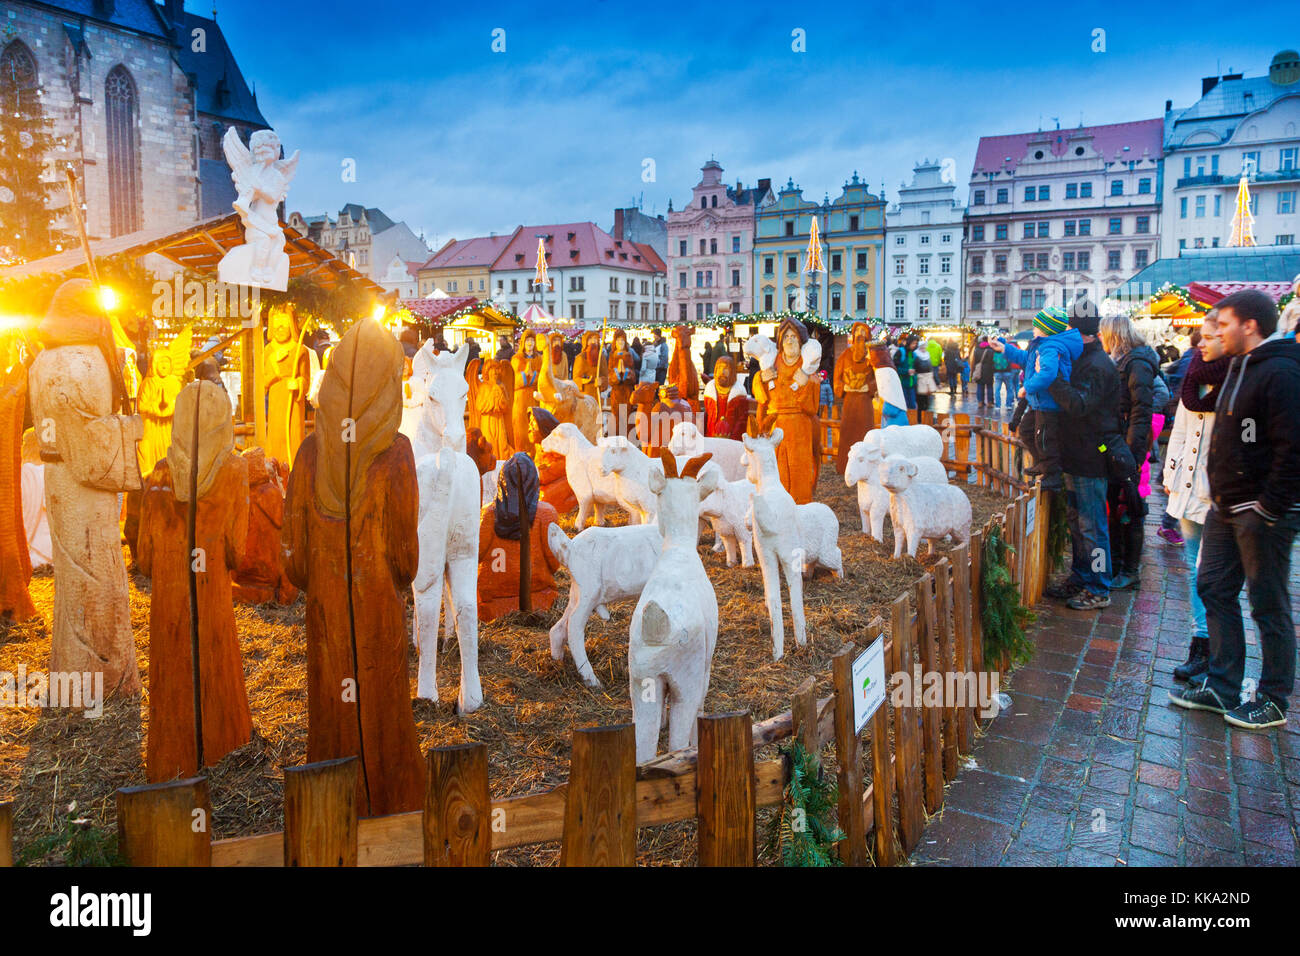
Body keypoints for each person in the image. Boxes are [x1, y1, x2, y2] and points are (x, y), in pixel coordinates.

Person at [1170, 290, 1300, 730]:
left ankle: (1274, 697)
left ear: (1250, 325)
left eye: (1224, 325)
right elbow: (1243, 430)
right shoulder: (1244, 365)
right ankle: (1224, 684)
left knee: (1268, 601)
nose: (1217, 332)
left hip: (1259, 512)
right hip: (1228, 507)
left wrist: (1267, 508)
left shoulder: (1280, 370)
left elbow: (1291, 448)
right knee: (1213, 587)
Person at [1162, 312, 1229, 683]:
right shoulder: (1193, 380)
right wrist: (1170, 474)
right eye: (1199, 336)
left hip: (1219, 495)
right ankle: (1200, 645)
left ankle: (1221, 654)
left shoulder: (1239, 379)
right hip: (1187, 491)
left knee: (1216, 577)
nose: (1198, 343)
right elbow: (1181, 433)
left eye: (1208, 337)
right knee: (1195, 572)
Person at [1044, 300, 1123, 611]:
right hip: (1075, 454)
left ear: (1077, 331)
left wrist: (1053, 381)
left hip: (1091, 456)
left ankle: (1099, 587)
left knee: (1093, 527)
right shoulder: (1082, 358)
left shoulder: (1098, 365)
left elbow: (1079, 404)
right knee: (1078, 523)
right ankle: (1081, 576)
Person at [989, 307, 1082, 492]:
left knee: (1045, 438)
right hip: (1039, 401)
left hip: (1048, 403)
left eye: (1036, 326)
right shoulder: (1041, 345)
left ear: (1046, 328)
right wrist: (1005, 348)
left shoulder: (1049, 347)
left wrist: (1026, 388)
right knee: (1027, 430)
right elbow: (1026, 359)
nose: (1033, 329)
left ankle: (1052, 475)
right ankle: (1042, 463)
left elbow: (1047, 373)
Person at [1100, 314, 1159, 590]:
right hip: (1118, 442)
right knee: (1117, 503)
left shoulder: (1137, 363)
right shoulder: (1124, 361)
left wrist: (1132, 456)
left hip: (1129, 446)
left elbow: (1141, 412)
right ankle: (1118, 563)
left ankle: (1130, 570)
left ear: (1114, 335)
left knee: (1131, 506)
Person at [752, 317, 820, 503]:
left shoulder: (807, 367)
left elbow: (812, 407)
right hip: (776, 424)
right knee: (777, 468)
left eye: (794, 337)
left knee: (800, 468)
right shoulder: (772, 364)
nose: (789, 340)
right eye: (786, 337)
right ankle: (776, 505)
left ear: (801, 341)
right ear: (780, 342)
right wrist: (761, 378)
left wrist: (808, 383)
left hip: (800, 426)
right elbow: (760, 396)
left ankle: (801, 506)